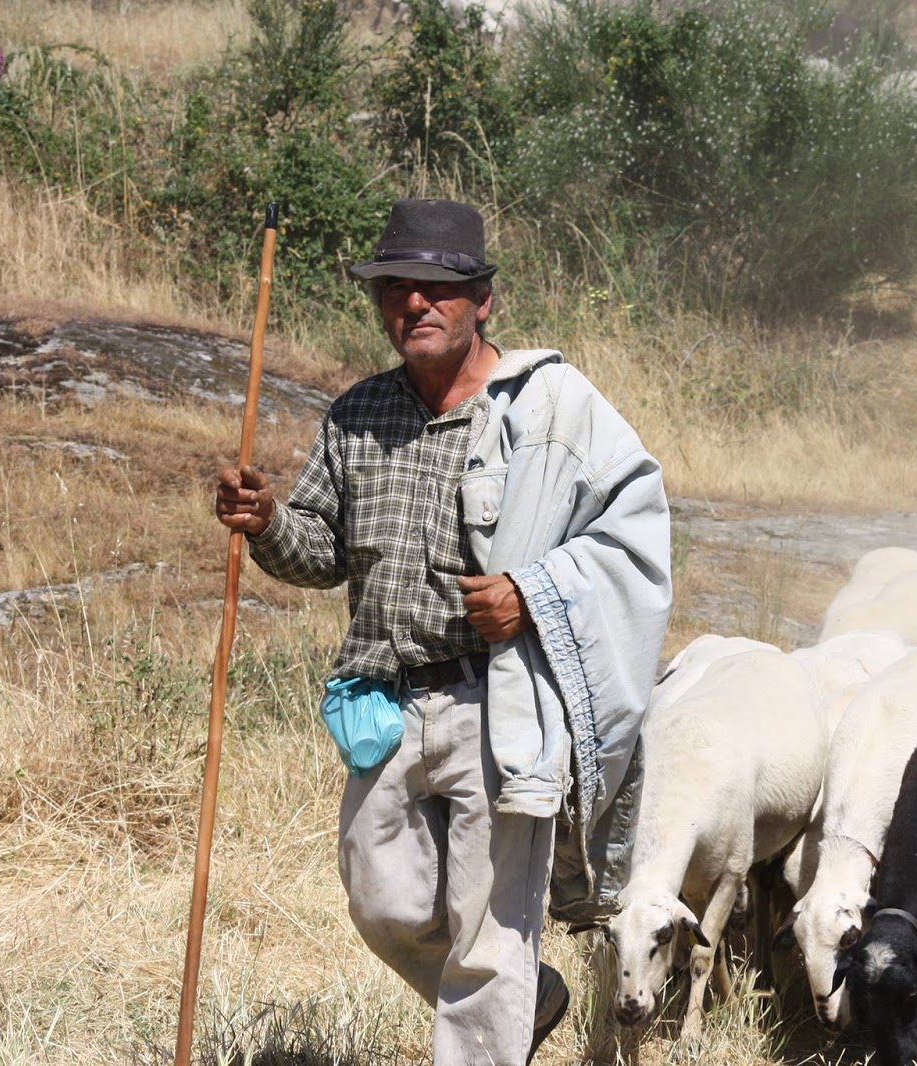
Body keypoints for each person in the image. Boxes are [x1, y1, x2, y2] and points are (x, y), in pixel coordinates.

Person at [214, 198, 672, 1066]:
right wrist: (269, 518)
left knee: (488, 937)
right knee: (379, 898)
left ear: (482, 299)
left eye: (436, 289)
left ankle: (493, 1017)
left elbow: (635, 531)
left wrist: (531, 594)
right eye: (395, 290)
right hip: (383, 702)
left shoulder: (552, 411)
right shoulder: (359, 415)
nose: (413, 306)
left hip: (498, 701)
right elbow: (318, 553)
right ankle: (527, 1001)